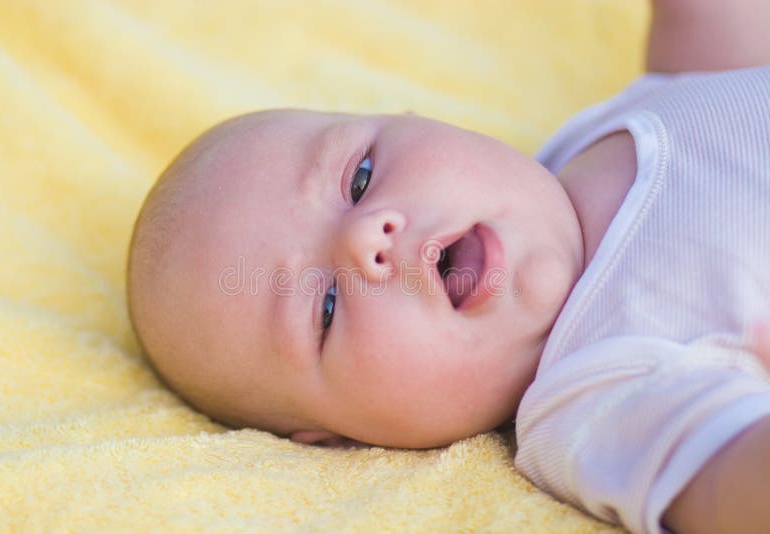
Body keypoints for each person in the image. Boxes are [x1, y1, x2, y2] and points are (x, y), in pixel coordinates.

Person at [126, 1, 770, 532]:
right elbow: (731, 491)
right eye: (324, 308)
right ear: (348, 437)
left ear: (415, 119)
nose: (366, 240)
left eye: (360, 177)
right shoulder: (595, 400)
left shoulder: (604, 134)